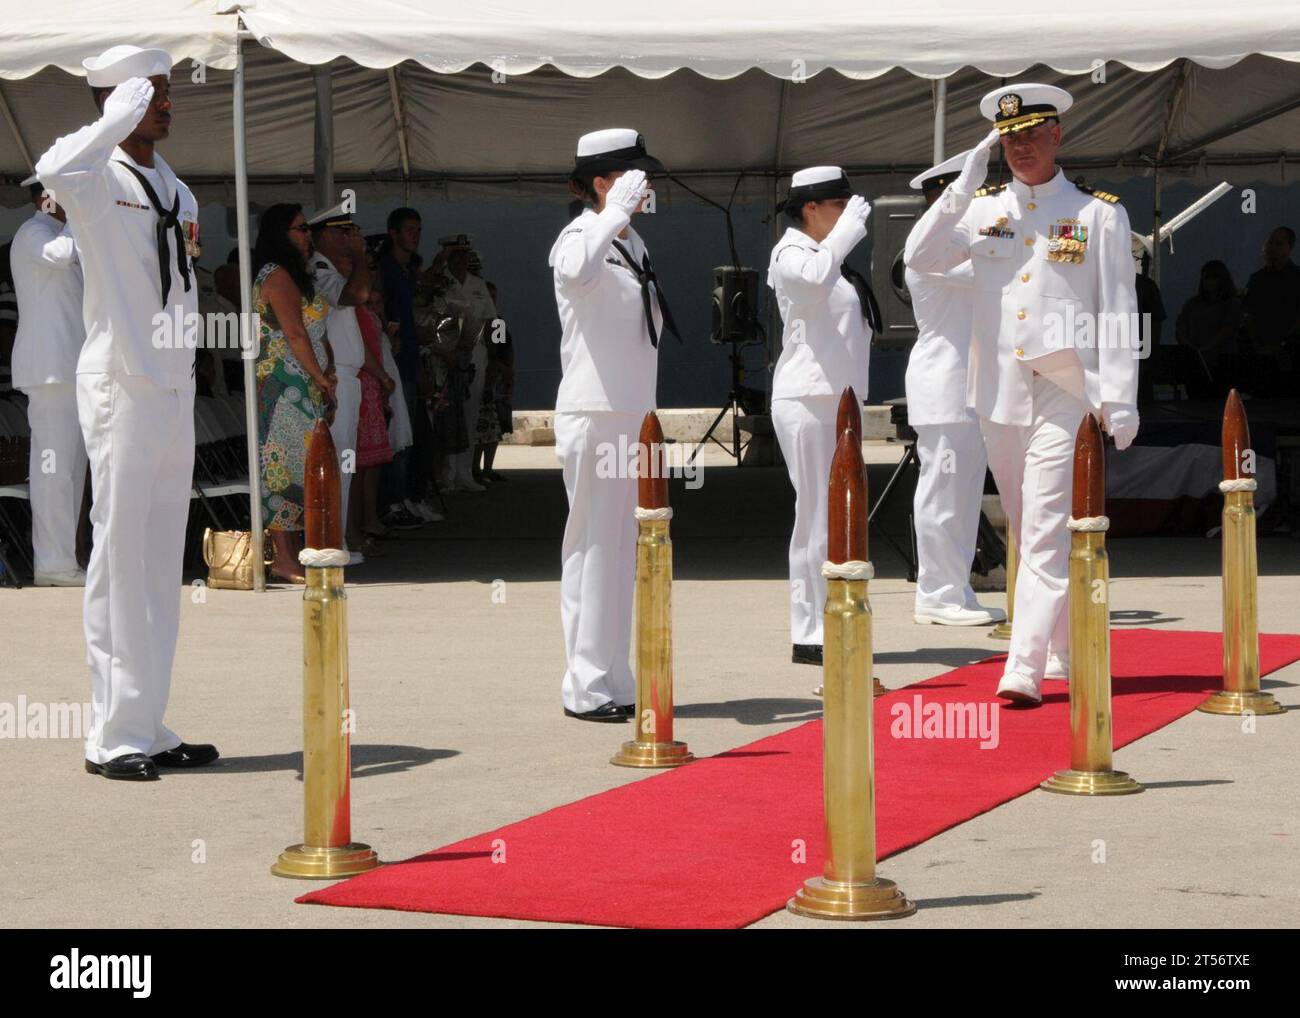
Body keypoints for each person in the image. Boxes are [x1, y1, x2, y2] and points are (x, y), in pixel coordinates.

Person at [904, 82, 1140, 705]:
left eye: (1032, 134)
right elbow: (920, 256)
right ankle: (1064, 648)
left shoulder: (1098, 212)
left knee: (1043, 528)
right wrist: (965, 178)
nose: (1020, 147)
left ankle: (1024, 664)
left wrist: (1119, 397)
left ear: (1057, 134)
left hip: (1066, 385)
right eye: (1009, 138)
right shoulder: (980, 207)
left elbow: (1118, 309)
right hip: (999, 389)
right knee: (1024, 521)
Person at [35, 45, 218, 779]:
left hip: (171, 386)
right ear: (118, 102)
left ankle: (148, 718)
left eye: (167, 93)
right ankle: (111, 735)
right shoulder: (93, 175)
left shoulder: (174, 188)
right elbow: (52, 170)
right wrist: (113, 119)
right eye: (154, 94)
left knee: (156, 559)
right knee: (116, 558)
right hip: (118, 386)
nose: (168, 106)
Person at [551, 128, 677, 721]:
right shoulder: (581, 236)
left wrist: (621, 219)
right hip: (596, 413)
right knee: (595, 546)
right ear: (603, 183)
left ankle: (613, 674)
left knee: (624, 547)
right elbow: (576, 272)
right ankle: (585, 684)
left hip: (632, 414)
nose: (645, 186)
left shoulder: (633, 243)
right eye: (632, 177)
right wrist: (611, 214)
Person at [768, 166, 873, 665]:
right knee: (814, 514)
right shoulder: (792, 252)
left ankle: (834, 612)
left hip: (836, 400)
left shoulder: (827, 257)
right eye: (838, 205)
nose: (848, 213)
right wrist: (848, 235)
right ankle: (808, 628)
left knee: (834, 516)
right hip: (807, 398)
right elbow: (810, 287)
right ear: (812, 208)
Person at [904, 155, 1006, 627]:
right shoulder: (931, 251)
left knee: (963, 499)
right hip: (944, 389)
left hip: (970, 389)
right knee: (942, 494)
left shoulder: (966, 248)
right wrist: (961, 194)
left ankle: (956, 588)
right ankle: (936, 593)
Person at [252, 203, 337, 583]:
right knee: (282, 468)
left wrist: (325, 372)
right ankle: (283, 557)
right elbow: (295, 333)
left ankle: (299, 551)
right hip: (285, 386)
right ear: (280, 234)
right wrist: (319, 377)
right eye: (300, 229)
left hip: (303, 383)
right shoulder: (276, 275)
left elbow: (316, 331)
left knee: (303, 464)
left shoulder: (296, 274)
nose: (308, 235)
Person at [10, 179, 88, 586]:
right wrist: (79, 213)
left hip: (70, 368)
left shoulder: (59, 233)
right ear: (47, 199)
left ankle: (62, 560)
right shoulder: (34, 233)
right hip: (49, 370)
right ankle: (52, 564)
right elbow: (62, 256)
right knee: (54, 469)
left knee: (71, 470)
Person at [309, 202, 372, 564]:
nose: (353, 238)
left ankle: (337, 538)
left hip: (347, 377)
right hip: (336, 380)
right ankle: (332, 542)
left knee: (344, 461)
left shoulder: (330, 268)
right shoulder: (319, 270)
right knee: (338, 461)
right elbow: (357, 295)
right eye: (345, 232)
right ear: (326, 236)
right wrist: (361, 258)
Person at [379, 207, 440, 525]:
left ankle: (411, 497)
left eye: (419, 229)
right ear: (394, 233)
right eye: (409, 230)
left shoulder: (406, 273)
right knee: (400, 436)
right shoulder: (385, 271)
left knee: (419, 435)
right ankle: (395, 502)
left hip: (413, 362)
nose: (416, 236)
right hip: (393, 364)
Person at [432, 233, 498, 492]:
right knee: (446, 414)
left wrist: (494, 359)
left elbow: (492, 323)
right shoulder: (439, 282)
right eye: (455, 254)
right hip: (443, 355)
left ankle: (465, 473)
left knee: (469, 415)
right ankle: (446, 476)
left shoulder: (478, 285)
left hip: (474, 355)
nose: (460, 259)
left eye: (464, 255)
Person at [350, 281, 397, 552]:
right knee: (356, 463)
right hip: (362, 381)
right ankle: (353, 527)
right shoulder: (351, 310)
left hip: (372, 383)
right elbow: (359, 349)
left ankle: (368, 518)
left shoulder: (365, 311)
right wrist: (382, 377)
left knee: (371, 461)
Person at [1241, 226, 1300, 391]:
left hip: (1291, 354)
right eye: (1270, 243)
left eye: (1278, 244)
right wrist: (1257, 344)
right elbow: (1248, 314)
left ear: (1289, 248)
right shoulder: (1256, 279)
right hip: (1260, 354)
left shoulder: (1297, 279)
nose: (1271, 248)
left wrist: (1283, 343)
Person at [1175, 259, 1242, 372]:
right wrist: (1190, 349)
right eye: (1206, 278)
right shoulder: (1192, 304)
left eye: (1214, 278)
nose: (1210, 282)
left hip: (1222, 362)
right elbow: (1180, 328)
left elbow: (1227, 331)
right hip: (1194, 362)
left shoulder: (1232, 304)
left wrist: (1203, 349)